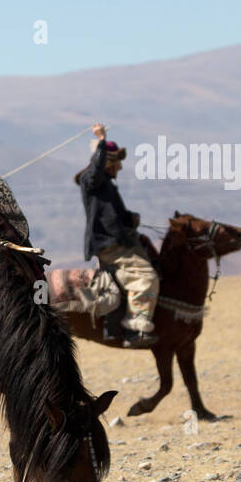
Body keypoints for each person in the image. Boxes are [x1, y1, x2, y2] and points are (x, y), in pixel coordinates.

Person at [75, 124, 158, 347]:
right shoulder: (91, 181)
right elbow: (95, 169)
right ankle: (135, 329)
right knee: (146, 278)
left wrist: (130, 219)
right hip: (111, 246)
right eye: (117, 162)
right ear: (108, 162)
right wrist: (102, 140)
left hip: (119, 242)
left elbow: (114, 216)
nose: (120, 167)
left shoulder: (107, 188)